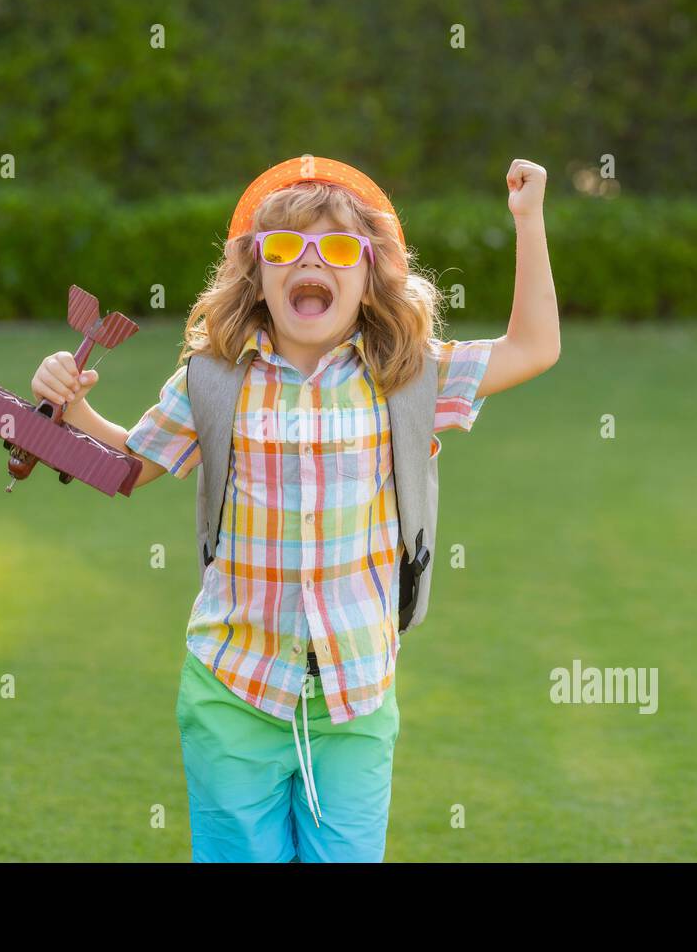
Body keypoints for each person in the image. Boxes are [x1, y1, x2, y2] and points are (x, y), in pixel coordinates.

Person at [31, 156, 561, 861]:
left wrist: (529, 220)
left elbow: (534, 346)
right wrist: (72, 411)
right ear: (258, 270)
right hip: (232, 689)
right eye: (284, 247)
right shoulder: (214, 378)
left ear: (370, 274)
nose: (311, 261)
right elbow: (129, 466)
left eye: (339, 248)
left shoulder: (405, 374)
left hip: (356, 694)